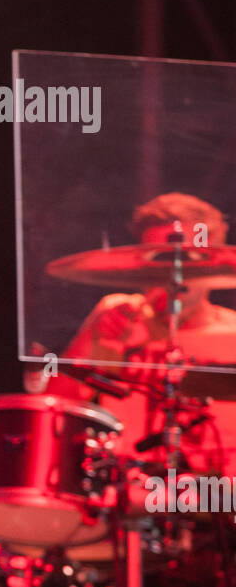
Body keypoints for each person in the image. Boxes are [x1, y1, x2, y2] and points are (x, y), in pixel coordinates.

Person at [53, 193, 236, 476]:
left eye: (186, 257)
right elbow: (54, 414)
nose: (172, 271)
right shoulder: (117, 321)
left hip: (221, 503)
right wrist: (93, 342)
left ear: (213, 261)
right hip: (132, 502)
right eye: (159, 258)